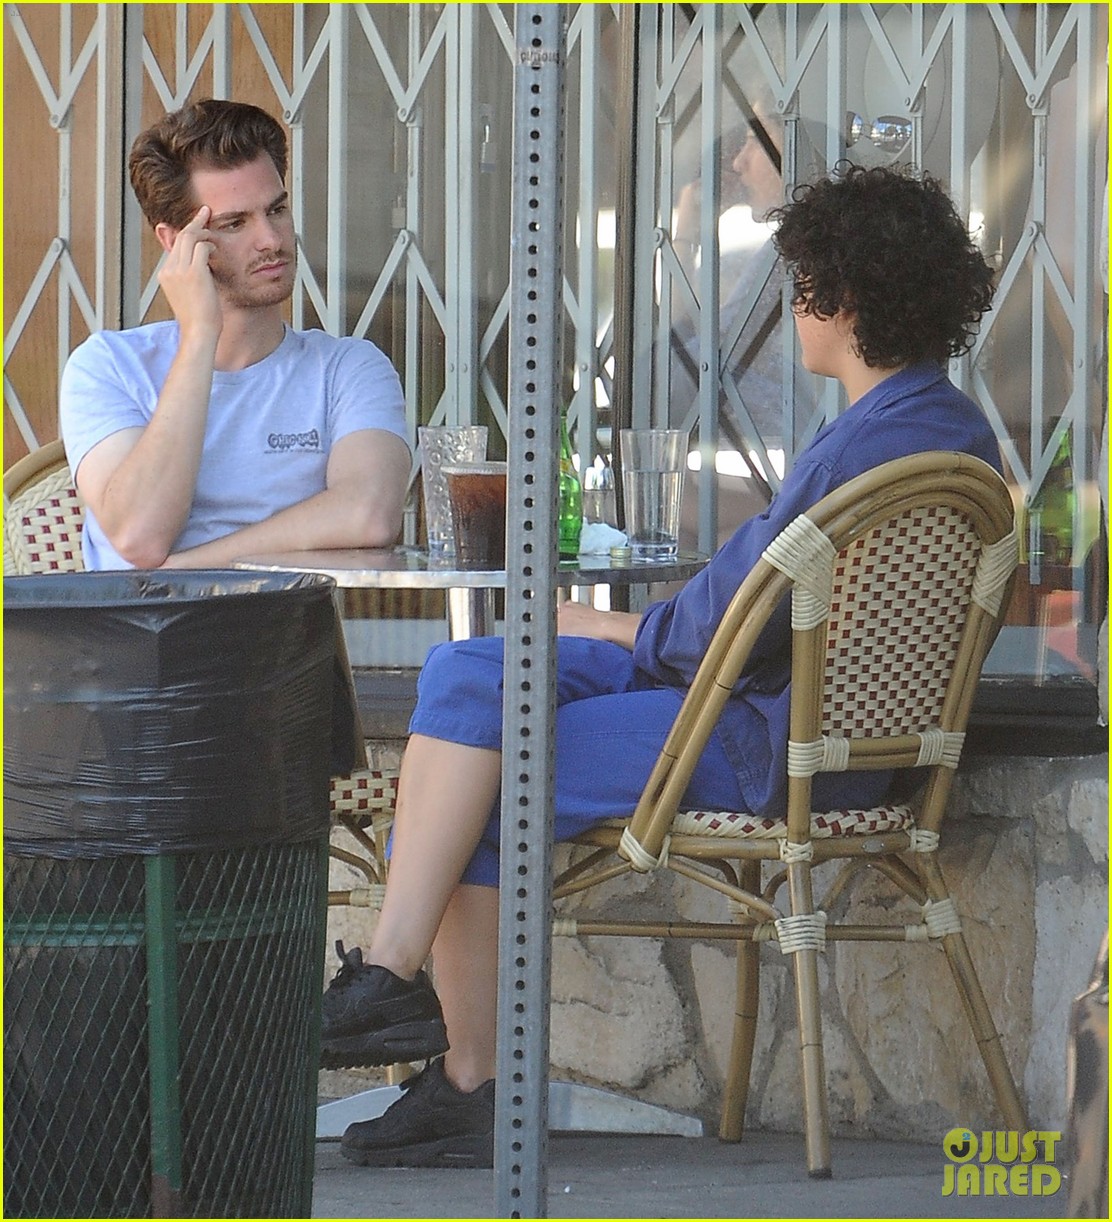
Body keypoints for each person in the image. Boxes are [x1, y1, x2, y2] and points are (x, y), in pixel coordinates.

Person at [322, 164, 999, 1170]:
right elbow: (753, 605)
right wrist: (622, 630)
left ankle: (458, 1071)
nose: (790, 305)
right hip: (807, 727)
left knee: (484, 769)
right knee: (471, 674)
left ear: (844, 297)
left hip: (763, 739)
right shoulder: (949, 433)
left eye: (800, 283)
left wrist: (609, 625)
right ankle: (395, 985)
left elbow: (724, 617)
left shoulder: (855, 451)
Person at [60, 98, 409, 571]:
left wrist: (187, 571)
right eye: (234, 223)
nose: (271, 240)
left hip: (284, 621)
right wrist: (199, 336)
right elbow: (139, 537)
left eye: (277, 210)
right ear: (176, 242)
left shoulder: (347, 368)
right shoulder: (108, 365)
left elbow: (369, 514)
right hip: (146, 621)